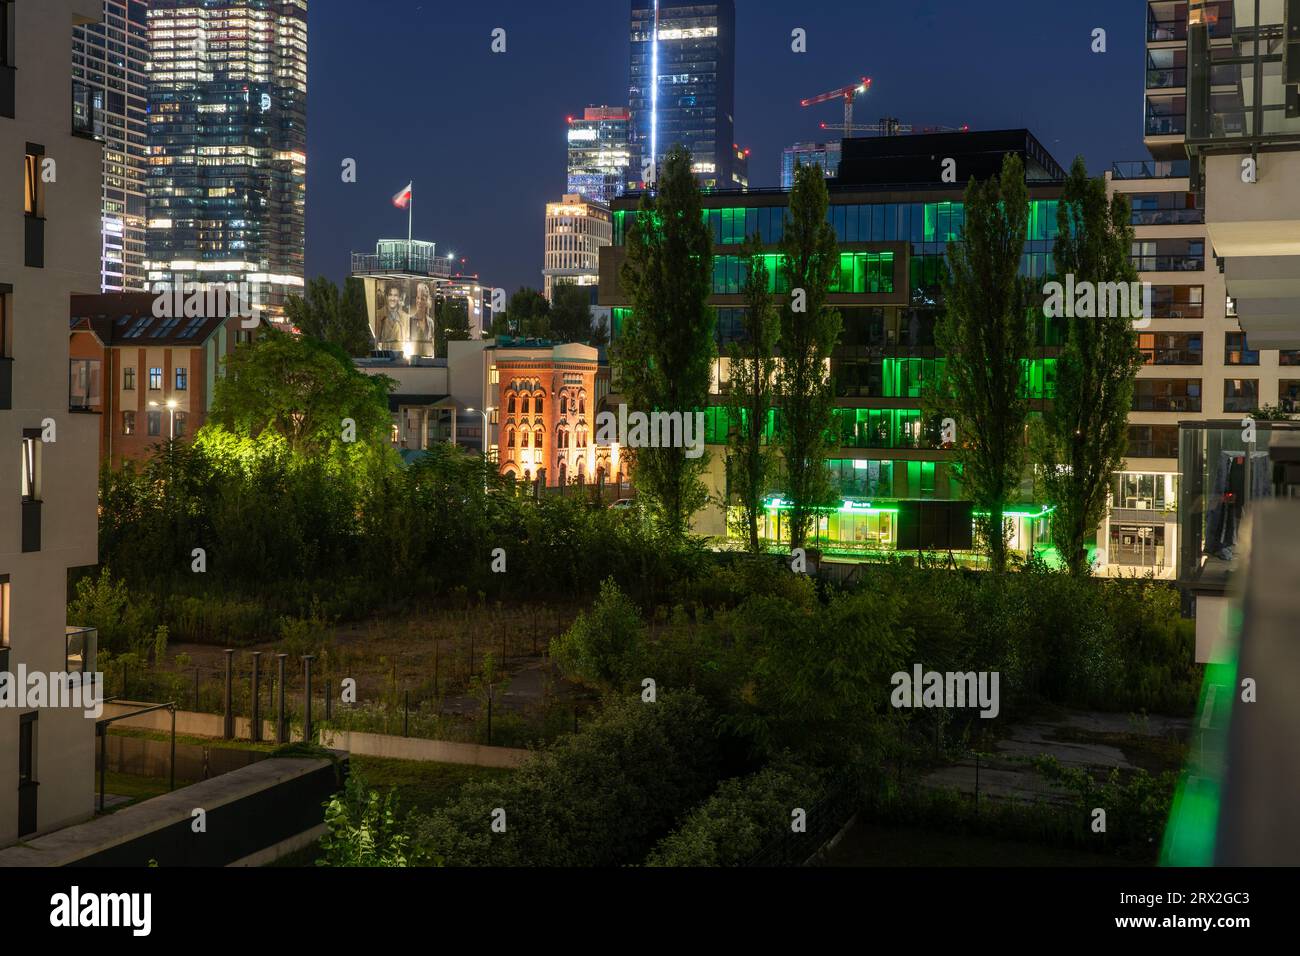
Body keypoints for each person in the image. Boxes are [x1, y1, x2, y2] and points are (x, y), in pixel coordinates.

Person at [376, 282, 409, 351]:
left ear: (399, 297)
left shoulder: (405, 317)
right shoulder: (379, 314)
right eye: (390, 295)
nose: (392, 298)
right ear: (386, 297)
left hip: (400, 356)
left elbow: (407, 339)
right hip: (384, 356)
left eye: (395, 295)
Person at [409, 282, 436, 357]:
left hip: (428, 358)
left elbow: (432, 342)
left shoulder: (430, 322)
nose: (419, 301)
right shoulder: (410, 320)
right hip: (413, 358)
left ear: (427, 301)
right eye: (418, 298)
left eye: (423, 299)